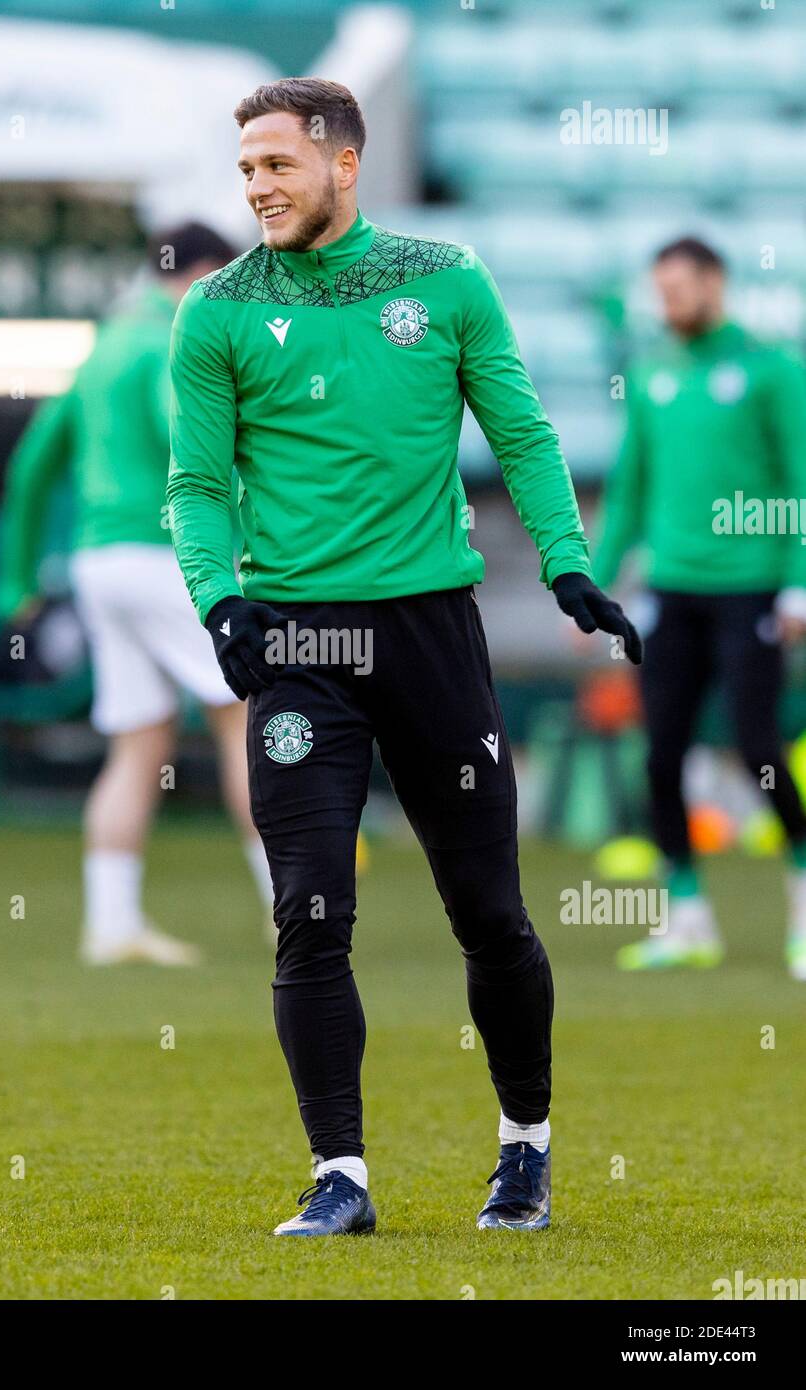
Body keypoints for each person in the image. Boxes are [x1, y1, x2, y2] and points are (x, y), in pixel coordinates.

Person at [167, 78, 641, 1235]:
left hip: (430, 634)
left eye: (275, 165)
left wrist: (568, 564)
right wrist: (219, 601)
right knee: (311, 910)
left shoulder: (445, 280)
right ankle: (340, 1175)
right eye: (244, 170)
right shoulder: (218, 310)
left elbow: (520, 430)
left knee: (487, 910)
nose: (256, 188)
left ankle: (521, 1151)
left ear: (342, 164)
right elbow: (193, 483)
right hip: (296, 645)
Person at [0, 222, 274, 966]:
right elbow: (193, 446)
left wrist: (14, 580)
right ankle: (297, 912)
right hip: (166, 560)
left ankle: (111, 925)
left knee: (138, 745)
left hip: (98, 565)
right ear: (204, 274)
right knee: (246, 721)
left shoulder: (102, 345)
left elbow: (30, 470)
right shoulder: (173, 341)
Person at [594, 237, 806, 978]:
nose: (670, 300)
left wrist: (797, 583)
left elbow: (801, 474)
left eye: (682, 286)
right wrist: (591, 578)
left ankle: (803, 900)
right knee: (660, 756)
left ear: (716, 282)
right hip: (672, 589)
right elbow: (629, 488)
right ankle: (686, 917)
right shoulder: (651, 372)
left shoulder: (771, 368)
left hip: (750, 585)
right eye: (662, 289)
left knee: (758, 749)